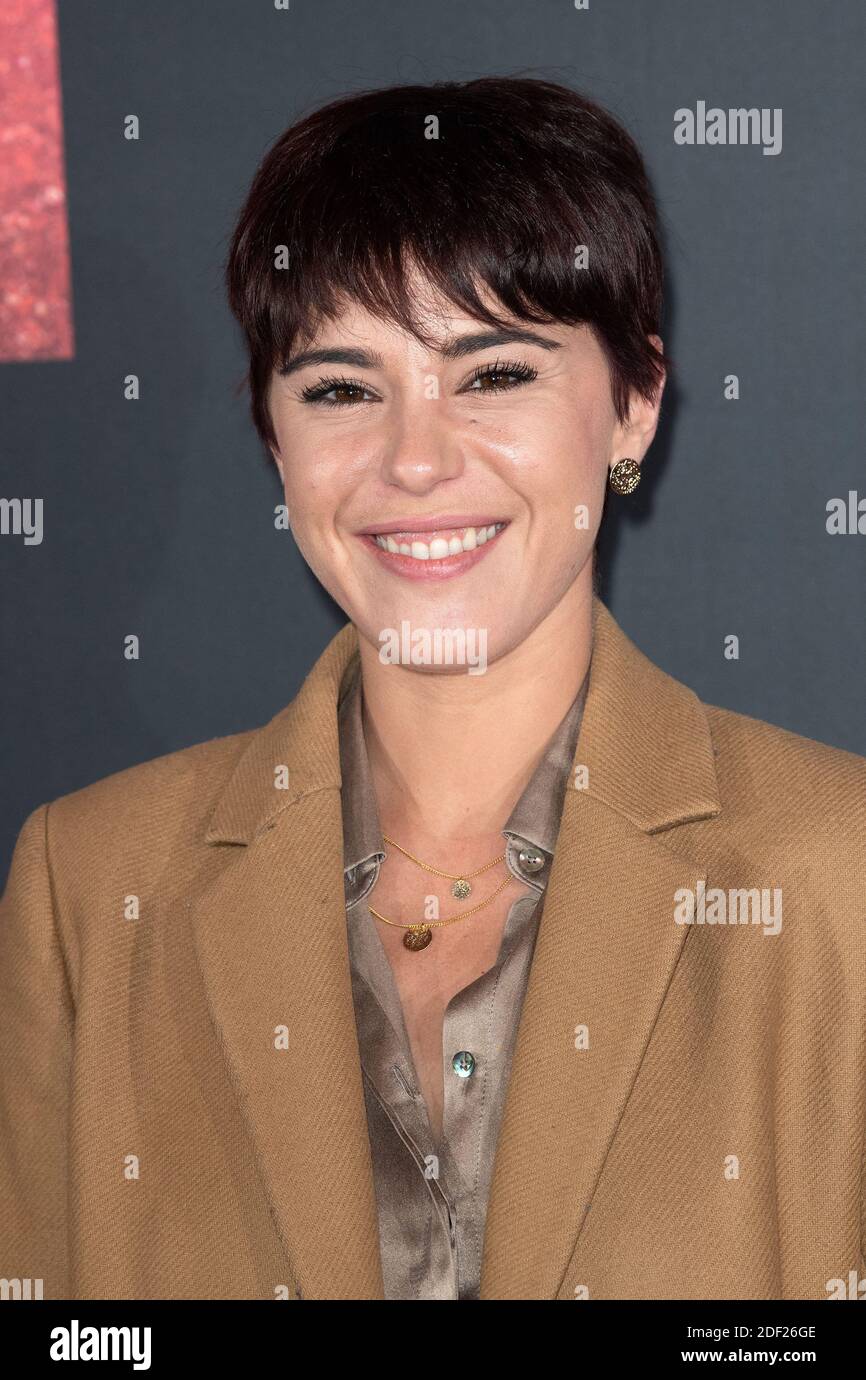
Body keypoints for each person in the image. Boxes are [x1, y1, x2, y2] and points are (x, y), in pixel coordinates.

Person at [1, 77, 864, 1302]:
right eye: (342, 388)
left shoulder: (839, 879)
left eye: (493, 374)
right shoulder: (87, 889)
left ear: (633, 404)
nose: (414, 460)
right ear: (274, 442)